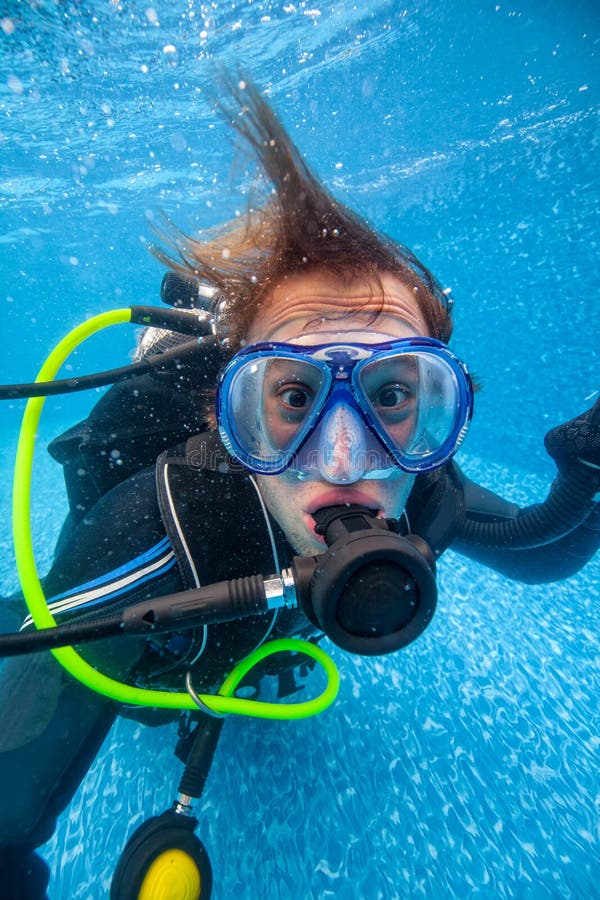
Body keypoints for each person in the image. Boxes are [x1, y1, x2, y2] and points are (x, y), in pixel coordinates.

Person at [1, 74, 599, 899]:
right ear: (228, 419)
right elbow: (24, 723)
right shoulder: (153, 526)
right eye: (291, 398)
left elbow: (539, 547)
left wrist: (588, 472)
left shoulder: (422, 485)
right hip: (164, 665)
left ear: (436, 409)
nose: (349, 458)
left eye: (393, 393)